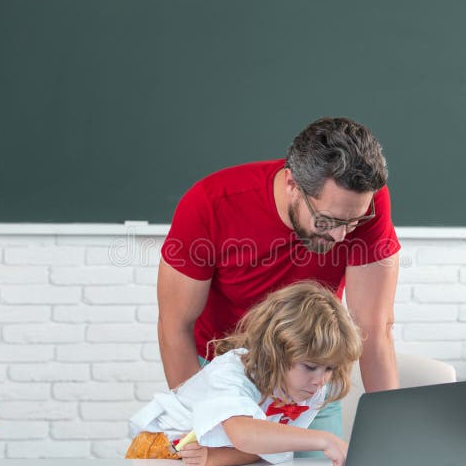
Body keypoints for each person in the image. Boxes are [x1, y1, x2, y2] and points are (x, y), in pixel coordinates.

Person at [158, 117, 401, 439]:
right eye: (327, 221)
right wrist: (201, 423)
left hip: (312, 374)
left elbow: (374, 325)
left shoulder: (361, 203)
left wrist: (394, 432)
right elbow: (175, 325)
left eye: (354, 222)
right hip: (227, 378)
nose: (343, 236)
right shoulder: (211, 204)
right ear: (292, 185)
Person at [127, 281, 362, 466]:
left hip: (206, 459)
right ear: (276, 351)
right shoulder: (232, 372)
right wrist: (324, 439)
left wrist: (215, 458)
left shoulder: (310, 387)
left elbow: (265, 448)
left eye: (329, 368)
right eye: (310, 366)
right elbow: (244, 434)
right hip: (161, 451)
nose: (320, 380)